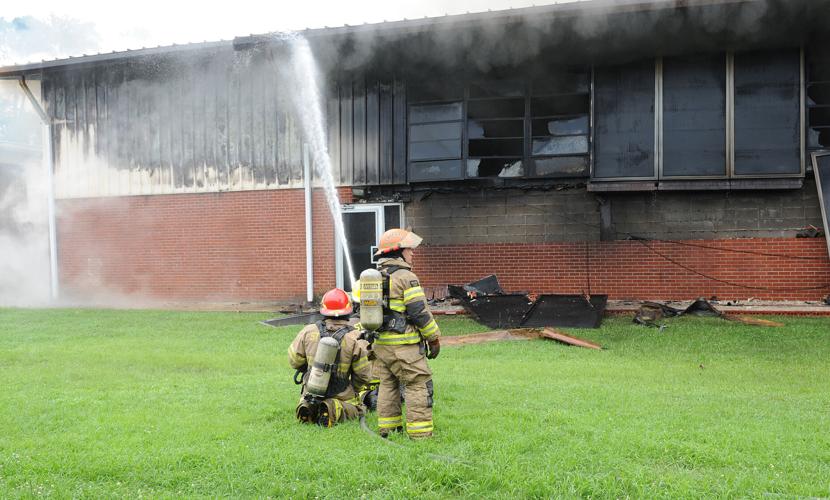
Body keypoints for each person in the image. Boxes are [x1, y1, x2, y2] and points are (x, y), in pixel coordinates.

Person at [369, 228, 441, 439]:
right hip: (404, 346)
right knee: (418, 383)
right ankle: (420, 435)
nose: (413, 253)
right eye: (410, 249)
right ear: (398, 252)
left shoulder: (376, 277)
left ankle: (388, 430)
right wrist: (433, 338)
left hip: (381, 345)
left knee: (389, 383)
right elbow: (420, 313)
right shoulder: (406, 277)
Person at [288, 288, 372, 426]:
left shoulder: (308, 331)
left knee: (309, 399)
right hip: (342, 393)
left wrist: (310, 368)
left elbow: (294, 360)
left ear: (323, 310)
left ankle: (307, 406)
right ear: (348, 311)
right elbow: (364, 375)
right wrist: (353, 388)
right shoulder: (356, 338)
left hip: (311, 389)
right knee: (358, 410)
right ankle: (333, 407)